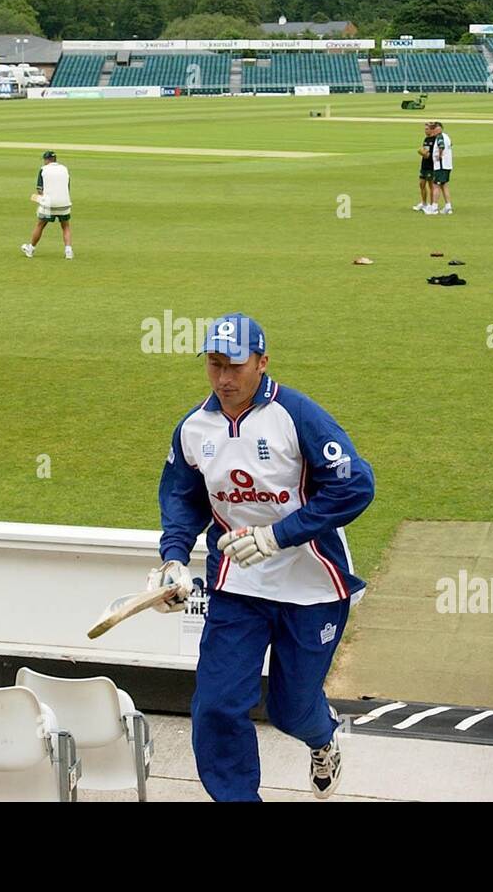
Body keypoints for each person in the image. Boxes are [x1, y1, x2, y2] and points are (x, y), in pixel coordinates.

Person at [153, 313, 375, 802]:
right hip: (238, 588)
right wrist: (173, 558)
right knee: (215, 706)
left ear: (262, 362)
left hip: (312, 585)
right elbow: (182, 498)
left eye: (235, 366)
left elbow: (356, 486)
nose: (225, 379)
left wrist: (279, 536)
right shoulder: (194, 428)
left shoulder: (298, 416)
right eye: (214, 366)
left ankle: (322, 739)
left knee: (291, 710)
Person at [20, 150, 72, 259]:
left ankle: (30, 249)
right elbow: (67, 187)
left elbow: (40, 190)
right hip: (65, 202)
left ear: (47, 160)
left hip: (49, 203)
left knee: (40, 224)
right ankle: (68, 251)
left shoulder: (43, 170)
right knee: (65, 226)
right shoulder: (64, 168)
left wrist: (40, 200)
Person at [426, 120, 453, 215]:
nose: (433, 130)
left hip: (441, 165)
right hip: (448, 165)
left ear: (439, 128)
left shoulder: (440, 137)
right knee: (444, 185)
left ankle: (434, 208)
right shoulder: (447, 136)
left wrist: (440, 155)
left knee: (436, 185)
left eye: (434, 128)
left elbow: (441, 146)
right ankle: (448, 207)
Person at [413, 120, 435, 212]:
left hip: (431, 166)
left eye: (427, 129)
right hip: (424, 165)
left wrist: (421, 152)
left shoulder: (434, 140)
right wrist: (423, 152)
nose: (425, 131)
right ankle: (423, 203)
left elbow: (428, 155)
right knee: (421, 184)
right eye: (425, 129)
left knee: (431, 186)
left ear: (432, 130)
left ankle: (432, 204)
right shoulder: (426, 139)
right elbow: (425, 152)